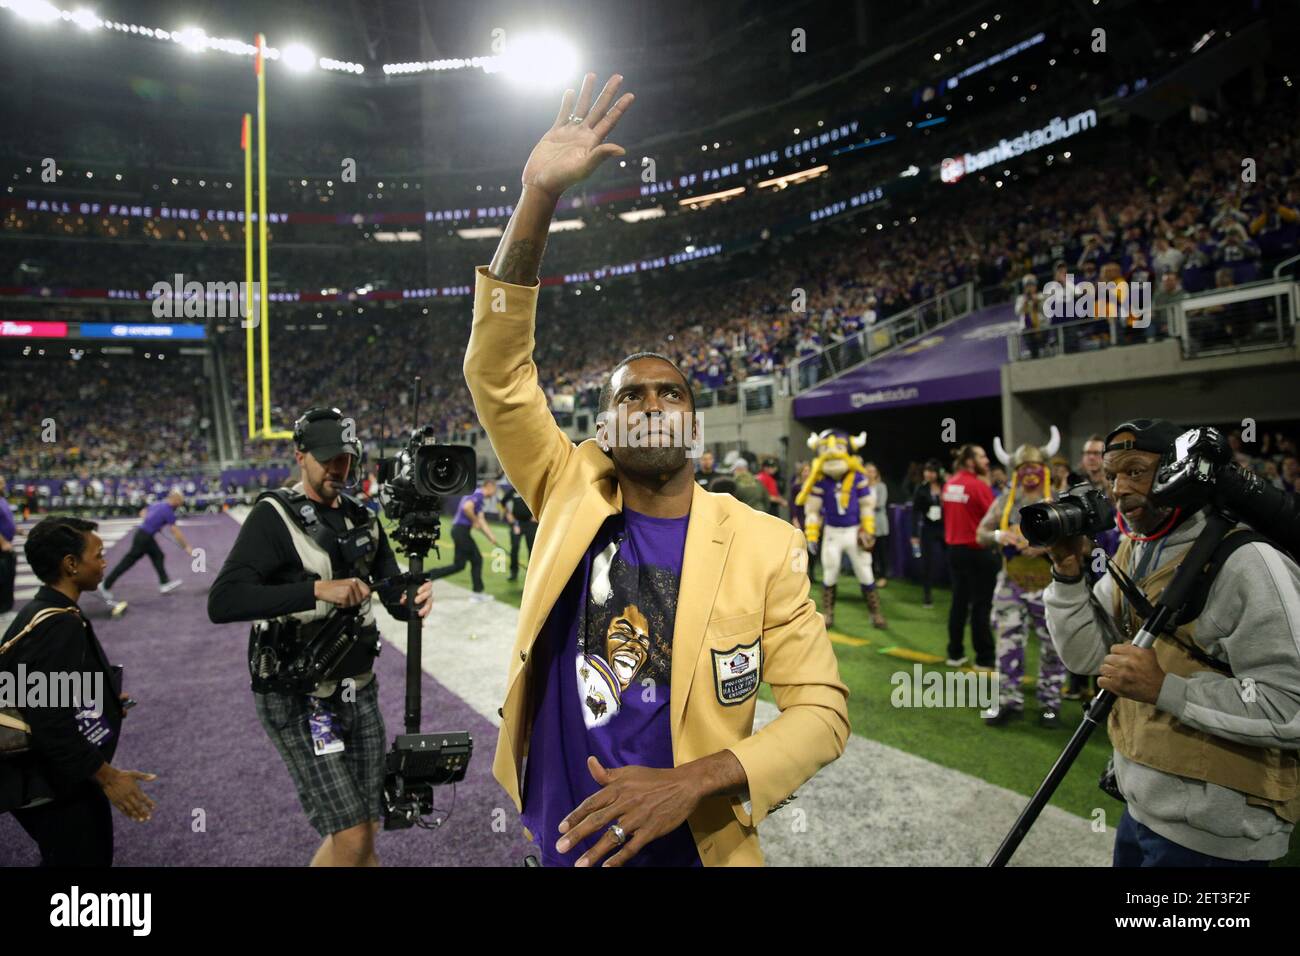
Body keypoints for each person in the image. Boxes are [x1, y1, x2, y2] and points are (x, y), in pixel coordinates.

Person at [464, 72, 848, 867]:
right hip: (565, 838)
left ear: (694, 422)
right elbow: (498, 372)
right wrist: (537, 195)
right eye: (629, 395)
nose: (648, 403)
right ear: (604, 425)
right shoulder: (564, 487)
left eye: (668, 391)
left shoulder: (766, 544)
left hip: (697, 846)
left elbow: (821, 712)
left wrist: (696, 780)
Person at [1045, 419, 1300, 866]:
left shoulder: (1248, 562)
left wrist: (1165, 688)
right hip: (1140, 806)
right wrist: (1067, 576)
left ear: (1178, 472)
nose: (1119, 489)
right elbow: (1089, 658)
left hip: (1215, 833)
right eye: (1111, 476)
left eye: (1136, 471)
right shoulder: (1136, 549)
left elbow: (1291, 705)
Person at [207, 406, 432, 866]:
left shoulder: (361, 516)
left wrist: (413, 598)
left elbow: (393, 598)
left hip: (358, 689)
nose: (338, 468)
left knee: (366, 829)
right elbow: (224, 601)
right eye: (328, 457)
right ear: (300, 456)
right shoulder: (274, 516)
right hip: (299, 697)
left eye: (345, 458)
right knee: (350, 835)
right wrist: (315, 590)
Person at [1, 517, 155, 865]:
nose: (104, 562)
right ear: (71, 565)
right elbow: (50, 721)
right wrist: (108, 776)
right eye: (97, 555)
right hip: (46, 781)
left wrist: (104, 703)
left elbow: (41, 690)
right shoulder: (58, 625)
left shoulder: (45, 611)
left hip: (46, 773)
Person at [980, 433, 1065, 727]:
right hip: (1011, 583)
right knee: (1007, 643)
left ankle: (1050, 704)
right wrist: (998, 536)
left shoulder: (1059, 501)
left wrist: (1045, 546)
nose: (1029, 474)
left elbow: (1086, 544)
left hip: (1051, 585)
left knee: (1054, 645)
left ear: (1045, 469)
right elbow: (980, 534)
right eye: (1022, 469)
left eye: (1034, 468)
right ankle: (1008, 701)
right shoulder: (1005, 501)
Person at [796, 430, 886, 629]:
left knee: (865, 573)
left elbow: (866, 505)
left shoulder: (856, 478)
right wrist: (812, 533)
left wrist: (868, 529)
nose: (832, 454)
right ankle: (828, 613)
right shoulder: (820, 480)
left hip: (854, 531)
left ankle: (875, 613)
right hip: (832, 533)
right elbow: (812, 510)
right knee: (830, 573)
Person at [941, 443, 998, 669]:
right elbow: (995, 518)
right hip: (978, 552)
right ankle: (984, 658)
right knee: (981, 606)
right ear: (970, 461)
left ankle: (954, 653)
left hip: (955, 551)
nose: (986, 461)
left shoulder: (949, 485)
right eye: (982, 456)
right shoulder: (978, 487)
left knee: (958, 602)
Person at [96, 488, 191, 612]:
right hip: (144, 537)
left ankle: (164, 583)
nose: (180, 504)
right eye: (180, 501)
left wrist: (153, 523)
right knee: (128, 561)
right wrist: (186, 546)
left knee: (158, 555)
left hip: (144, 534)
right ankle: (105, 584)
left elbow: (143, 512)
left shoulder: (159, 504)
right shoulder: (168, 511)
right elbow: (175, 531)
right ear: (175, 499)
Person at [426, 477, 500, 602]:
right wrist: (474, 520)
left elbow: (481, 520)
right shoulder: (478, 494)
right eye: (495, 489)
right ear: (490, 486)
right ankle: (478, 593)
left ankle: (429, 575)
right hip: (461, 531)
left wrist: (491, 537)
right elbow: (467, 508)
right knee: (477, 559)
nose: (495, 492)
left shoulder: (478, 497)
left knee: (459, 565)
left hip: (459, 531)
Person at [909, 460, 945, 608]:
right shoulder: (921, 489)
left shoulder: (946, 487)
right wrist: (914, 535)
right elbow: (915, 512)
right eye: (926, 471)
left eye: (932, 471)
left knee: (952, 559)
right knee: (927, 562)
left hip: (944, 527)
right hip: (928, 527)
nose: (928, 474)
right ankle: (927, 595)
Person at [501, 480, 538, 583]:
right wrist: (508, 515)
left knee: (532, 549)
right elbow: (502, 503)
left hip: (531, 524)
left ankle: (532, 575)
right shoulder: (513, 491)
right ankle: (513, 572)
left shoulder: (532, 489)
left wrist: (537, 515)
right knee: (514, 547)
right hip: (517, 524)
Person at [864, 462, 890, 587]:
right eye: (868, 471)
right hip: (865, 525)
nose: (870, 474)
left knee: (882, 552)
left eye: (872, 471)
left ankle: (883, 576)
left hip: (879, 524)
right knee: (869, 553)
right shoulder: (861, 487)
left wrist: (865, 506)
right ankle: (871, 577)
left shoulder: (881, 487)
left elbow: (880, 504)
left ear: (876, 473)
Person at [0, 476, 16, 616]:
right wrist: (2, 542)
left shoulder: (2, 500)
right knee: (2, 578)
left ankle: (6, 607)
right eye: (1, 483)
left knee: (8, 577)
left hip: (8, 544)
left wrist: (18, 530)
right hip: (1, 548)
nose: (4, 485)